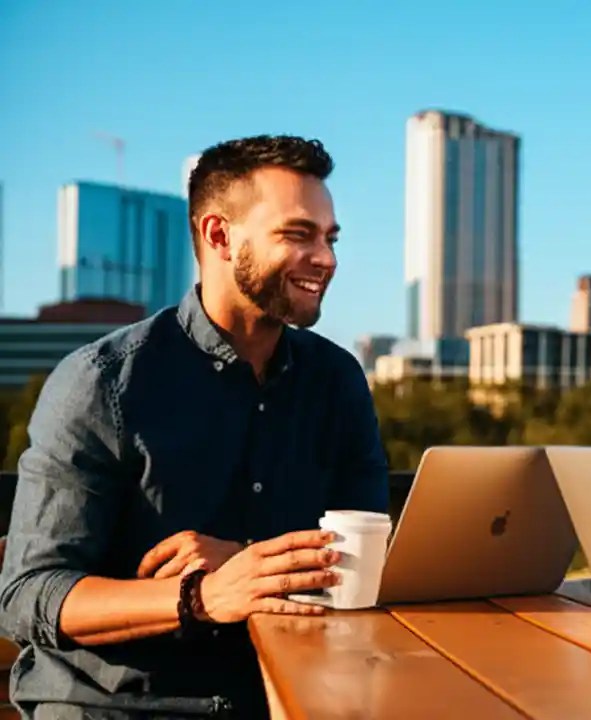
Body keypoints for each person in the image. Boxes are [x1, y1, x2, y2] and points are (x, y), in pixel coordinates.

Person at [0, 135, 389, 718]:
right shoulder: (102, 383)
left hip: (287, 698)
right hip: (118, 709)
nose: (328, 258)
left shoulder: (337, 381)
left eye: (330, 238)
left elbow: (365, 556)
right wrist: (201, 597)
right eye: (298, 234)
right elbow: (28, 594)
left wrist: (246, 557)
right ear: (219, 235)